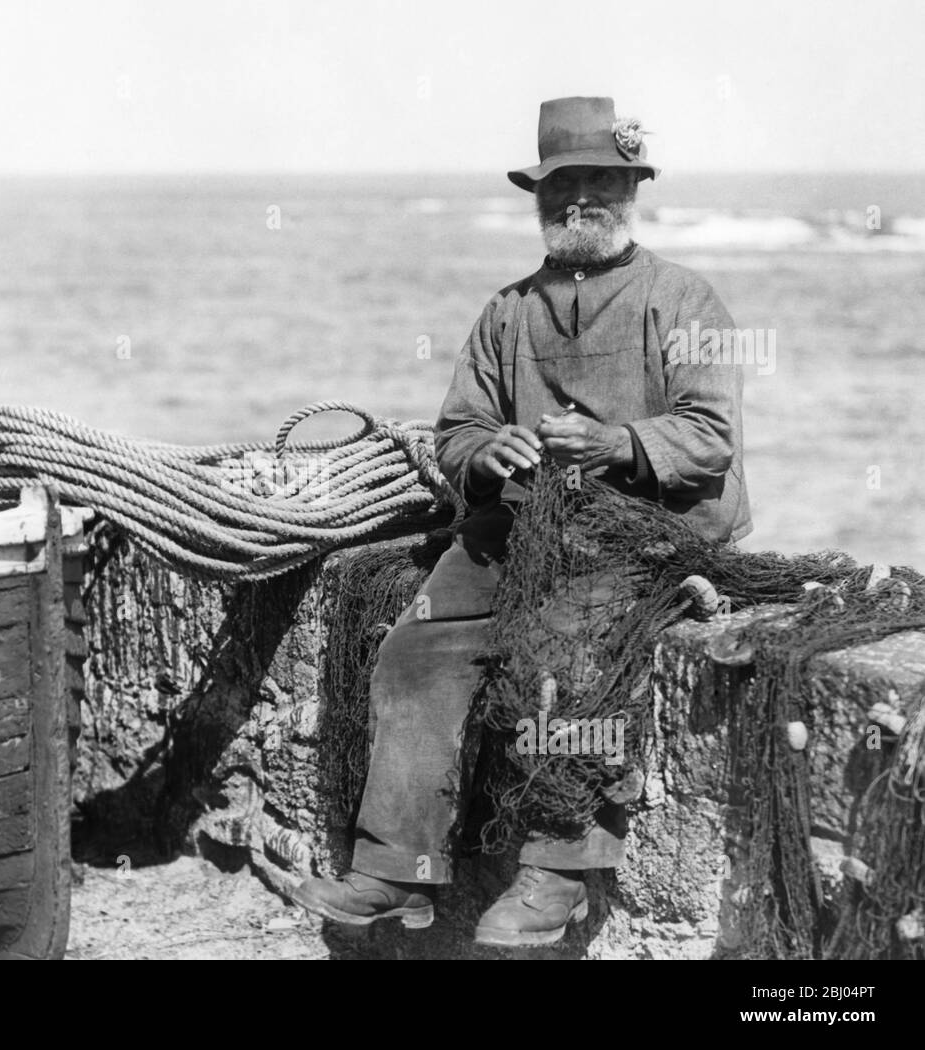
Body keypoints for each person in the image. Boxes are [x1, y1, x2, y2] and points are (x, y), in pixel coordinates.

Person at [293, 96, 752, 947]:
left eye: (596, 182)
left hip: (650, 533)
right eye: (560, 185)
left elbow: (710, 437)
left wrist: (616, 441)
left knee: (572, 649)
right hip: (523, 531)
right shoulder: (506, 312)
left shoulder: (685, 300)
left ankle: (556, 874)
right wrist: (485, 454)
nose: (578, 200)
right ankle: (398, 872)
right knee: (415, 646)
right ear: (540, 199)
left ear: (628, 189)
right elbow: (456, 430)